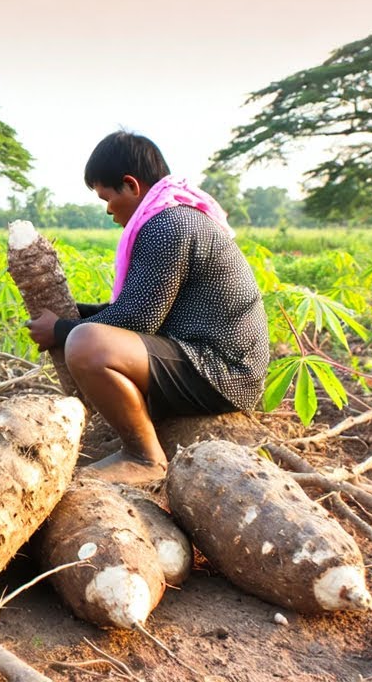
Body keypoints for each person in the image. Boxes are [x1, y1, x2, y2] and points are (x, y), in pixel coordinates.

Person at [25, 131, 269, 484]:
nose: (108, 210)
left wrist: (62, 330)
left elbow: (138, 319)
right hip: (208, 359)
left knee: (85, 344)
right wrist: (71, 316)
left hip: (223, 372)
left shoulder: (167, 225)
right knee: (86, 334)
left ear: (131, 185)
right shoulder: (174, 217)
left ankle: (144, 457)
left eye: (106, 198)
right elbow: (135, 306)